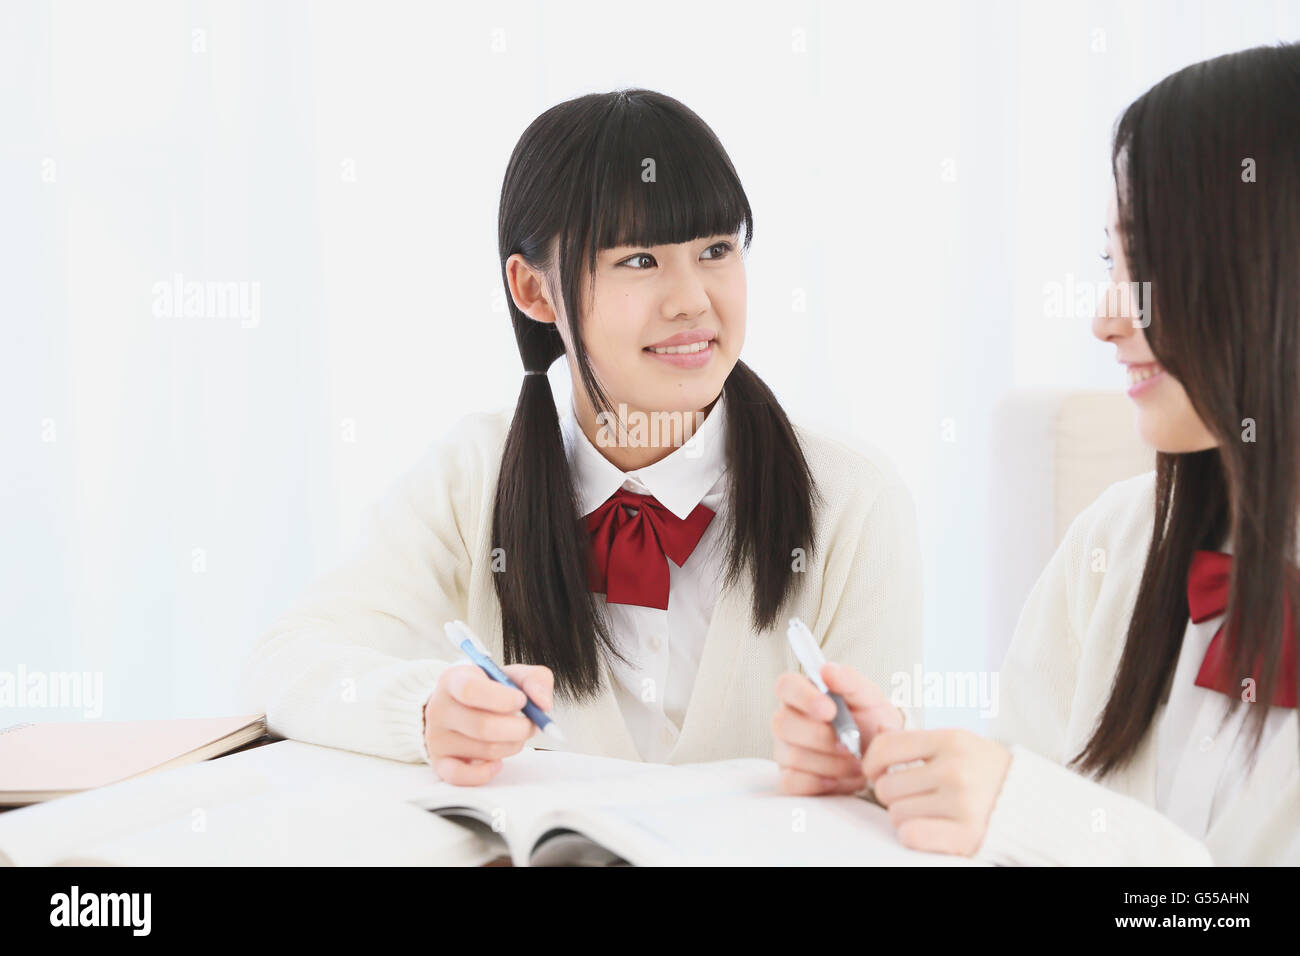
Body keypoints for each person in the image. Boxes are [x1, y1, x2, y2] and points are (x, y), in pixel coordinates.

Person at [243, 89, 923, 786]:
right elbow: (286, 661)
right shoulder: (472, 479)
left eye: (716, 249)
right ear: (535, 292)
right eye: (638, 260)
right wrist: (425, 712)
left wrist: (867, 767)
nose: (692, 299)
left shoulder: (852, 502)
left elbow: (887, 788)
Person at [771, 42, 1300, 864]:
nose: (1105, 316)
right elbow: (1028, 814)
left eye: (1148, 265)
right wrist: (898, 779)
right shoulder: (1115, 543)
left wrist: (1023, 814)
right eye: (1109, 262)